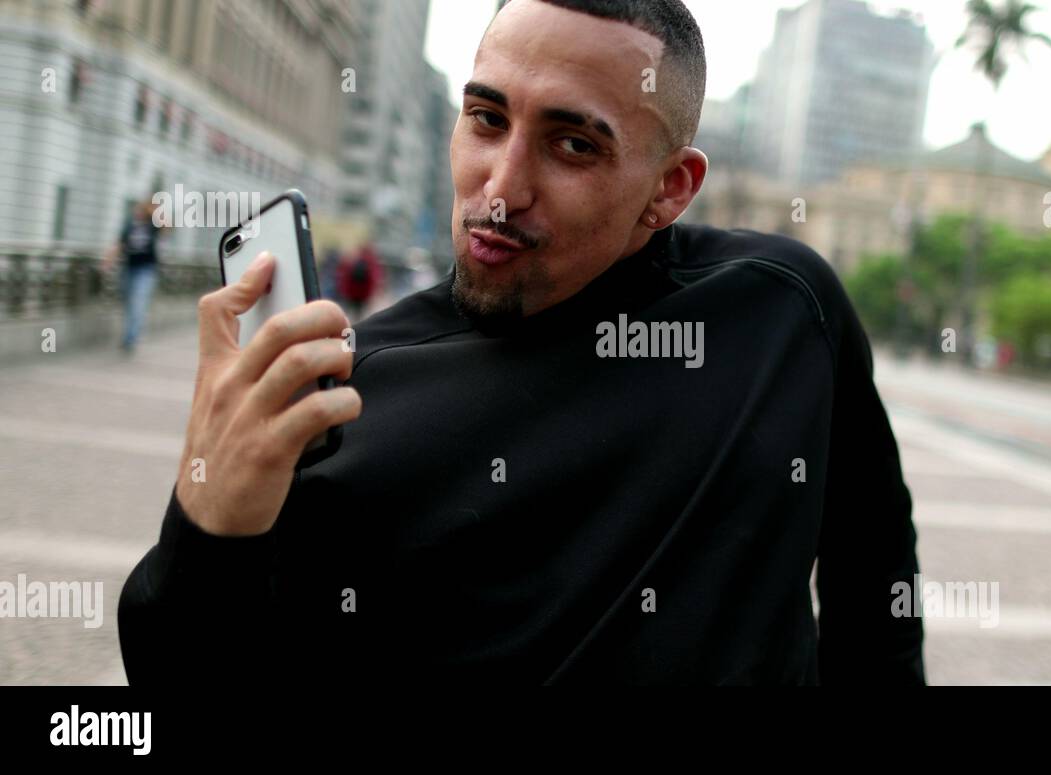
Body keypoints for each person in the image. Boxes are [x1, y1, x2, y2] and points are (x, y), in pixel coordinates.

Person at [117, 0, 923, 685]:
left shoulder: (783, 311)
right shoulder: (344, 391)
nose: (502, 189)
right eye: (487, 119)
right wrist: (209, 518)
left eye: (574, 144)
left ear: (670, 188)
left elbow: (877, 593)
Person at [102, 199, 165, 354]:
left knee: (138, 302)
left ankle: (130, 339)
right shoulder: (130, 225)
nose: (139, 211)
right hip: (129, 268)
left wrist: (155, 213)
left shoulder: (153, 226)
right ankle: (128, 335)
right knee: (128, 302)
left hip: (146, 270)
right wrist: (108, 261)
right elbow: (119, 244)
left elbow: (167, 226)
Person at [334, 243, 383, 322]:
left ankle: (345, 324)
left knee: (348, 311)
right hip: (363, 294)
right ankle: (356, 327)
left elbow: (344, 274)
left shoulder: (353, 260)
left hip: (351, 292)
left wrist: (344, 290)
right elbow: (374, 278)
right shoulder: (370, 262)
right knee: (359, 314)